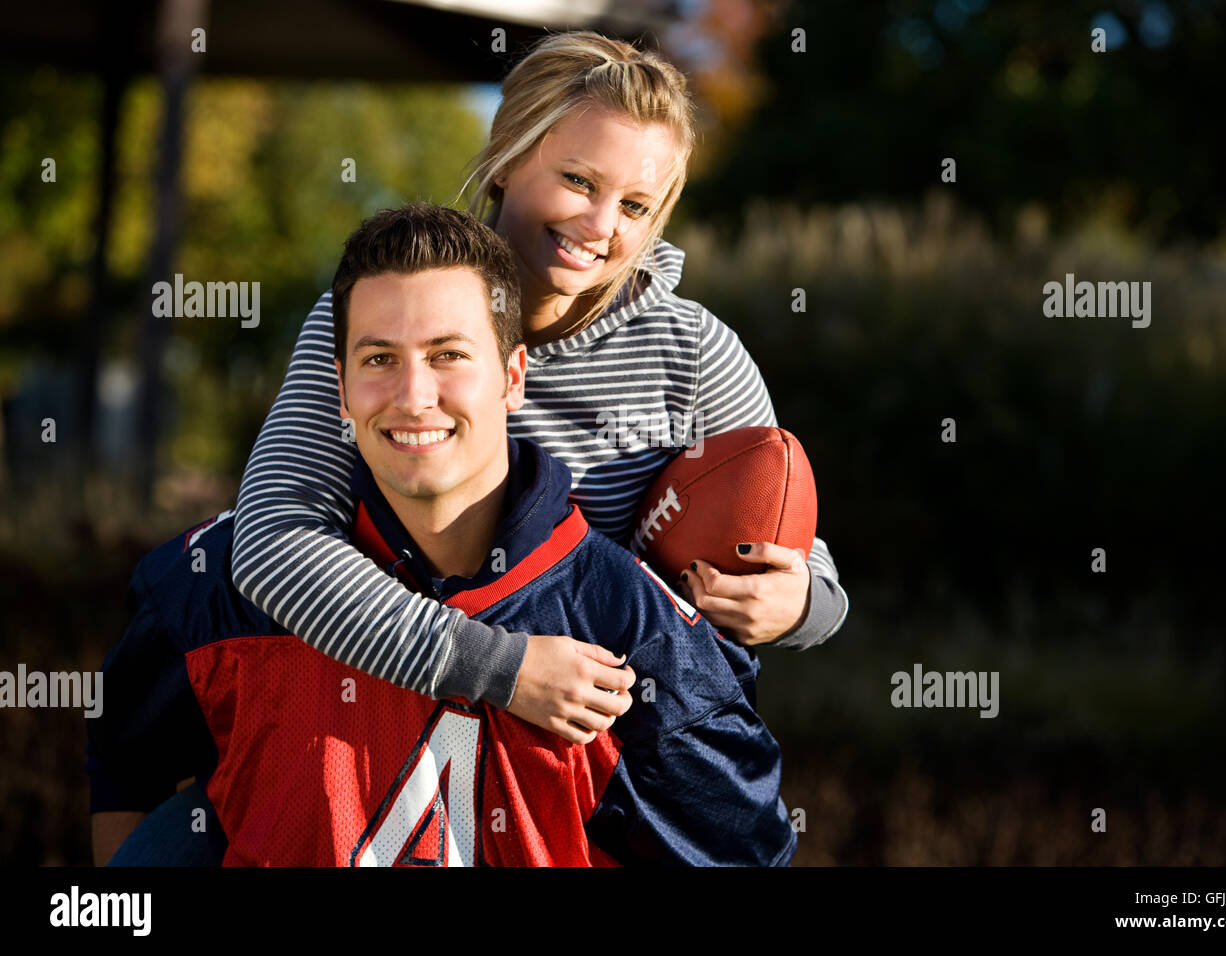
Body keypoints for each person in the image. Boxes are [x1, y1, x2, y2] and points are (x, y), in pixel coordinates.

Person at [88, 202, 796, 866]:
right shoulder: (219, 583)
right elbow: (125, 772)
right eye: (378, 359)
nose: (413, 395)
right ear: (338, 386)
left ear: (513, 377)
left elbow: (741, 848)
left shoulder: (634, 630)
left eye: (449, 355)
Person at [231, 30, 849, 742]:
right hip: (372, 749)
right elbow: (274, 543)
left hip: (592, 783)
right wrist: (500, 669)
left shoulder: (694, 353)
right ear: (506, 161)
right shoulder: (377, 311)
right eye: (579, 181)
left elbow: (809, 573)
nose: (600, 226)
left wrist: (795, 604)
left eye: (636, 206)